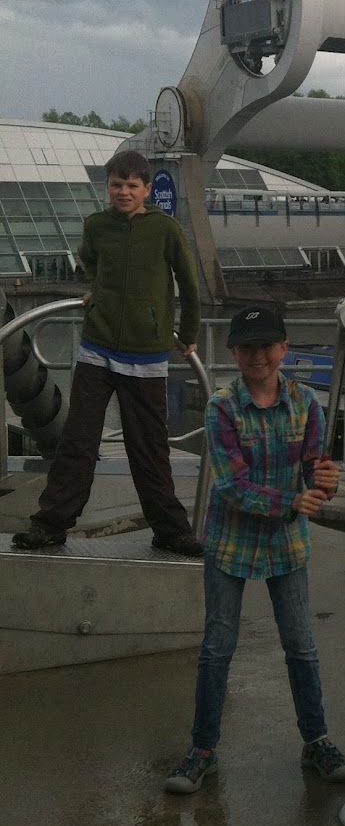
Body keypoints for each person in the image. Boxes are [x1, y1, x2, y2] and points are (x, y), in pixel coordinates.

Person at [164, 302, 345, 794]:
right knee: (217, 647)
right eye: (248, 347)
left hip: (285, 544)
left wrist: (326, 482)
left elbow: (315, 470)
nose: (259, 356)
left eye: (267, 345)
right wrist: (296, 499)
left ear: (284, 348)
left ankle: (317, 741)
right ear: (233, 352)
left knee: (301, 647)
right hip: (229, 544)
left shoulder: (307, 404)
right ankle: (202, 748)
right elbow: (231, 487)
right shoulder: (221, 408)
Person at [13, 150, 203, 556]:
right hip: (96, 353)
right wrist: (98, 289)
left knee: (148, 448)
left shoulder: (165, 230)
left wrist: (187, 334)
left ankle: (171, 530)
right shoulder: (96, 226)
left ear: (147, 190)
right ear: (108, 187)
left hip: (147, 356)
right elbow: (91, 260)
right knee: (77, 443)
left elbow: (188, 284)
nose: (124, 192)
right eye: (117, 185)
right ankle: (50, 525)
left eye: (133, 186)